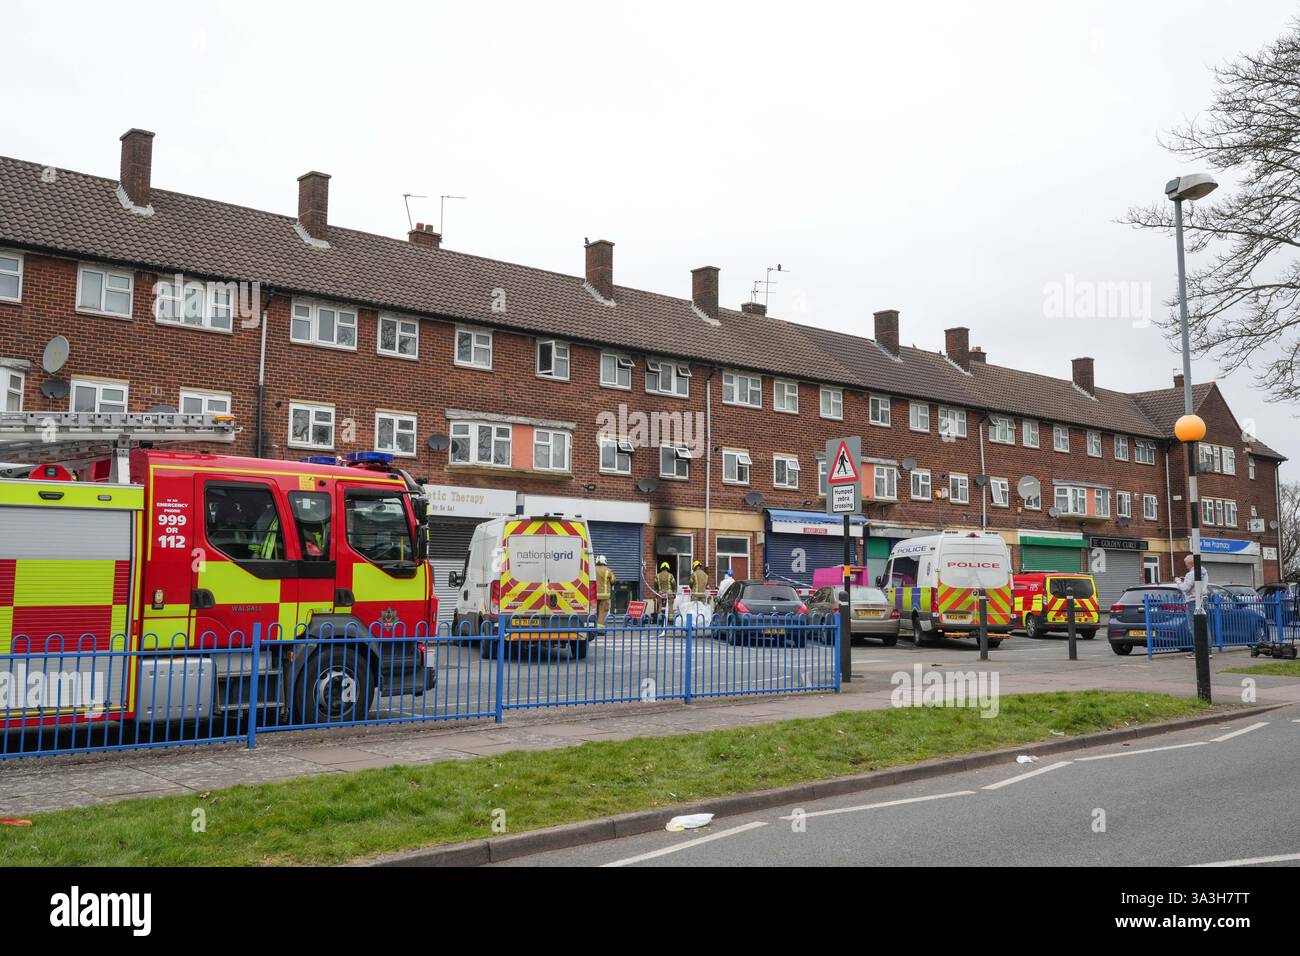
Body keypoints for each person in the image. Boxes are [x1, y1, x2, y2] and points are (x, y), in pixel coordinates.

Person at [594, 555, 617, 631]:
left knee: (595, 612)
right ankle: (600, 630)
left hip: (593, 595)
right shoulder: (608, 571)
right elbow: (613, 580)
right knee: (602, 612)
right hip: (604, 596)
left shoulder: (592, 569)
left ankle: (593, 628)